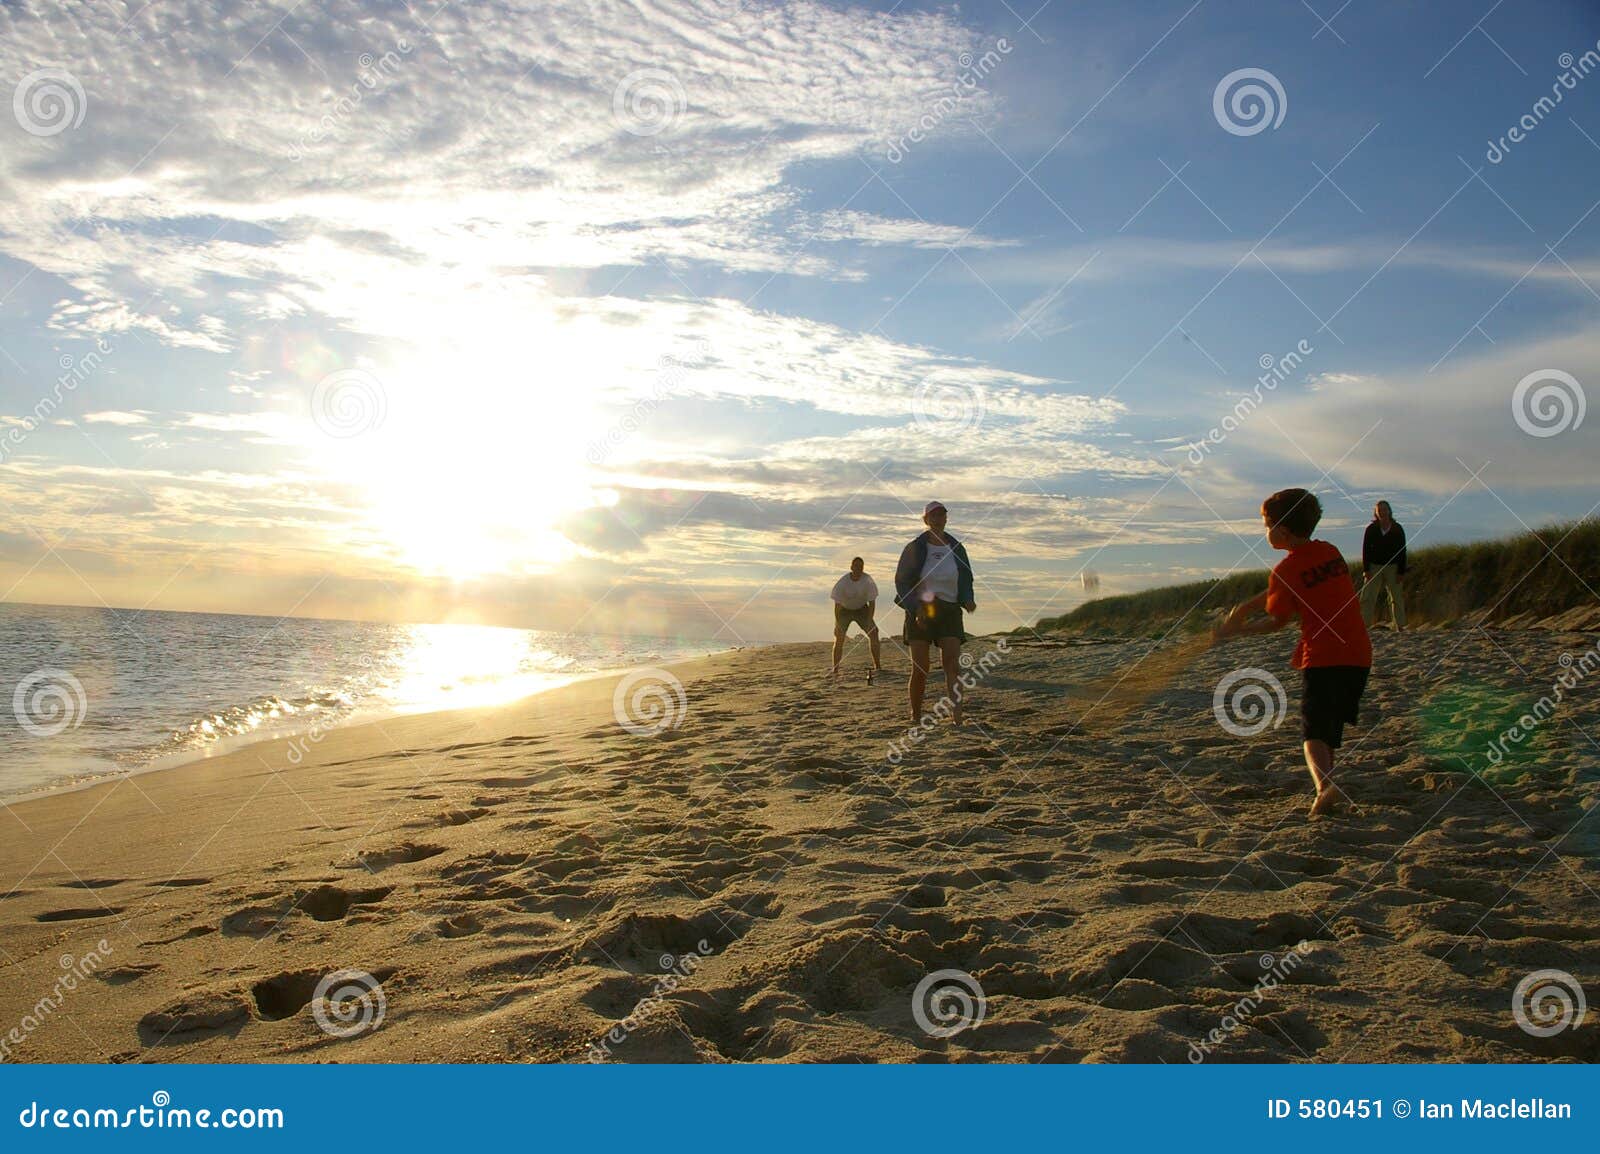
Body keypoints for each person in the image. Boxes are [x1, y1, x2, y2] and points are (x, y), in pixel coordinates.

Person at [1213, 488, 1372, 818]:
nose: (1265, 531)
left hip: (1324, 656)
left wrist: (1237, 630)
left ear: (1282, 531)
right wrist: (1243, 609)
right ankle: (1328, 783)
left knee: (1312, 733)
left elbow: (1277, 621)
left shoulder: (1284, 571)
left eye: (1266, 524)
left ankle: (1324, 788)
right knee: (1328, 728)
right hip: (1358, 654)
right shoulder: (1329, 551)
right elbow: (1286, 586)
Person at [893, 501, 976, 725]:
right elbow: (902, 581)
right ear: (926, 520)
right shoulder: (915, 547)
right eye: (933, 515)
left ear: (946, 518)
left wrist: (968, 598)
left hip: (949, 609)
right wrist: (914, 607)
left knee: (952, 664)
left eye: (942, 515)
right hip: (921, 608)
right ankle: (916, 714)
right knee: (921, 667)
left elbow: (966, 576)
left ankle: (957, 716)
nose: (938, 519)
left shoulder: (956, 547)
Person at [830, 556, 882, 677]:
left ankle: (878, 666)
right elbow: (837, 605)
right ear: (851, 567)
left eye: (861, 567)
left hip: (861, 609)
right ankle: (835, 669)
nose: (858, 569)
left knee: (874, 633)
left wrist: (869, 620)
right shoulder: (843, 582)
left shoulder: (868, 580)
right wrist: (837, 623)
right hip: (844, 610)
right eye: (856, 566)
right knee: (839, 637)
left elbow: (872, 603)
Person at [1360, 500, 1407, 631]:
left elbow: (1402, 551)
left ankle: (1400, 625)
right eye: (1379, 510)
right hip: (1374, 566)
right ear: (1376, 513)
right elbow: (1365, 550)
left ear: (1389, 511)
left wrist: (1401, 572)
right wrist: (1366, 569)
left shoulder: (1397, 528)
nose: (1382, 512)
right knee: (1368, 597)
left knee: (1396, 597)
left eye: (1384, 509)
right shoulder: (1371, 529)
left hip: (1393, 566)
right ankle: (1363, 625)